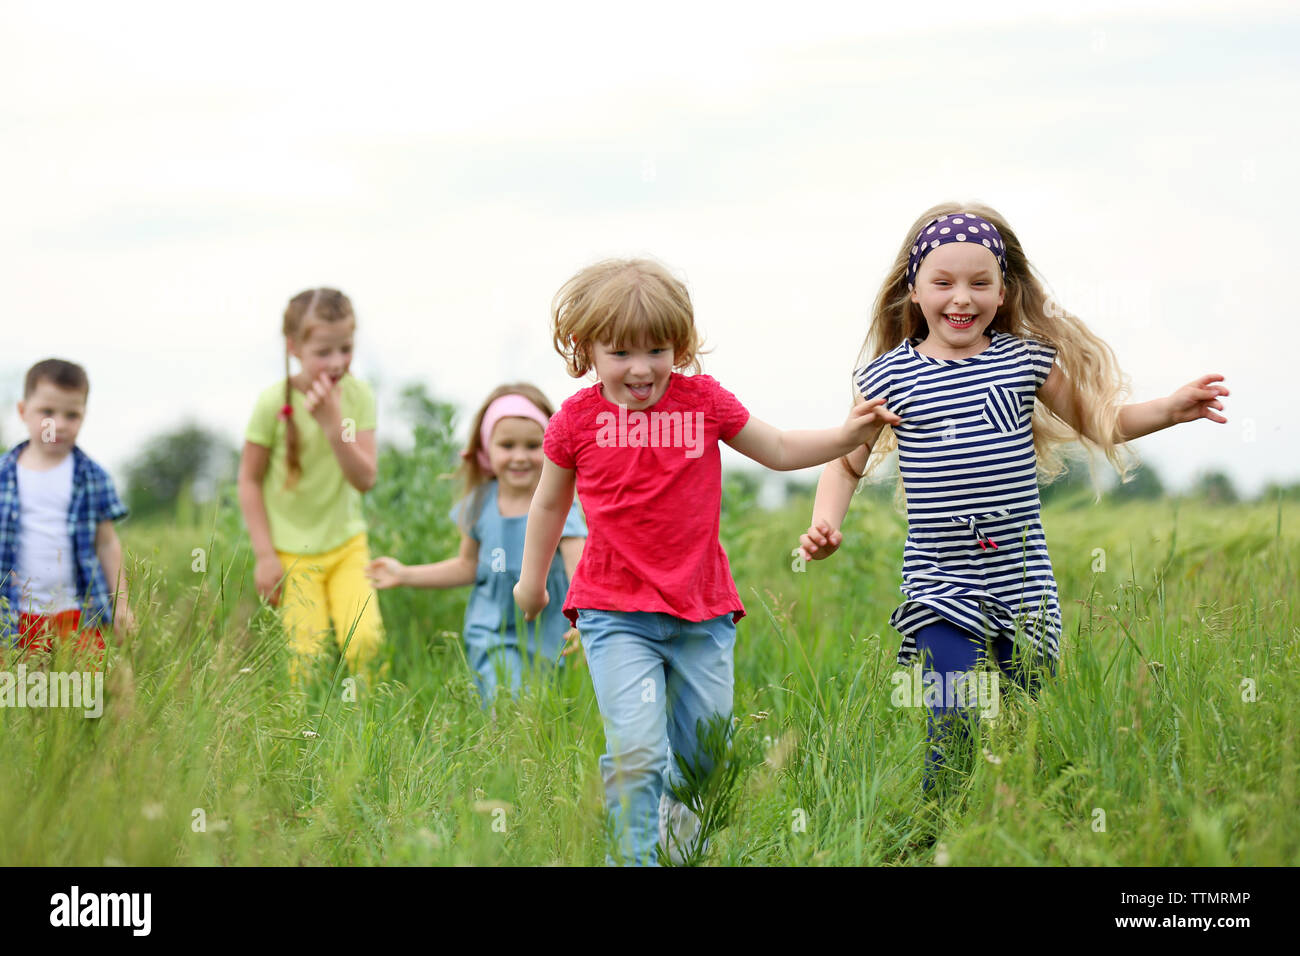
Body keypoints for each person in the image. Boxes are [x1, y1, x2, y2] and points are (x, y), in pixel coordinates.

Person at [797, 202, 1229, 796]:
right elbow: (845, 464)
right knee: (952, 711)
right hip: (938, 579)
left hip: (1022, 578)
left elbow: (1099, 421)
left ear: (1003, 292)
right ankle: (936, 826)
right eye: (943, 282)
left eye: (980, 283)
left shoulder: (1024, 361)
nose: (962, 298)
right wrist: (824, 525)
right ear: (914, 291)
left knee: (1027, 714)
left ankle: (1018, 810)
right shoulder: (889, 377)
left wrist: (1170, 411)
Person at [514, 258, 889, 865]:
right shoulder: (576, 422)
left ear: (679, 346)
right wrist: (533, 583)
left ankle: (682, 853)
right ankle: (632, 858)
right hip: (615, 612)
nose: (641, 369)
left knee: (705, 753)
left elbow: (780, 448)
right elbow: (549, 502)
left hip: (700, 610)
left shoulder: (703, 403)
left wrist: (847, 436)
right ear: (586, 350)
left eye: (657, 350)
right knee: (637, 750)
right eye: (620, 353)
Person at [366, 384, 587, 707]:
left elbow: (576, 564)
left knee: (543, 709)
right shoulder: (480, 502)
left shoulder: (557, 502)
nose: (520, 456)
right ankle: (501, 743)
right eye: (507, 445)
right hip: (492, 628)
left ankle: (522, 754)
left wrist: (584, 619)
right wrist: (405, 574)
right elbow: (467, 565)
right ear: (487, 449)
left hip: (548, 630)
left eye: (532, 445)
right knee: (504, 698)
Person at [238, 288, 384, 683]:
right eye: (324, 352)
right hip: (292, 553)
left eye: (345, 348)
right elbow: (249, 482)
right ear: (294, 347)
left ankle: (368, 724)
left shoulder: (358, 397)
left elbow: (365, 479)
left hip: (347, 546)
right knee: (305, 654)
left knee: (365, 641)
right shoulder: (272, 404)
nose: (337, 363)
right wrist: (265, 556)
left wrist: (333, 425)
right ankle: (300, 733)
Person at [0, 359, 132, 658]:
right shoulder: (4, 473)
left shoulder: (92, 475)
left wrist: (121, 604)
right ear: (23, 411)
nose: (58, 424)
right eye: (47, 412)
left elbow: (107, 542)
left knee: (83, 693)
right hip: (14, 614)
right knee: (21, 693)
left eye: (71, 415)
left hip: (78, 612)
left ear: (84, 417)